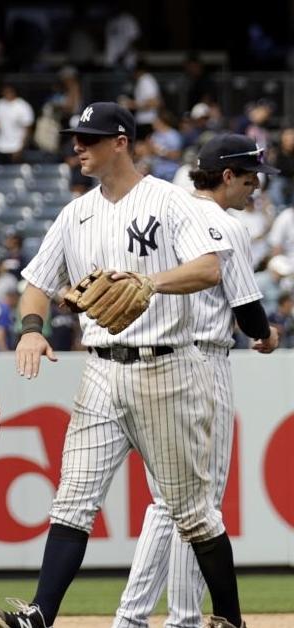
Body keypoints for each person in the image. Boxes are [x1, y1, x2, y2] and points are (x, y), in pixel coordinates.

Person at [0, 103, 249, 628]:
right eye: (77, 137)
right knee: (73, 498)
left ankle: (231, 619)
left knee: (191, 512)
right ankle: (39, 614)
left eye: (90, 138)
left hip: (165, 367)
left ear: (120, 142)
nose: (78, 146)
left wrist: (150, 281)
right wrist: (31, 331)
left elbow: (209, 268)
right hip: (100, 368)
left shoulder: (169, 202)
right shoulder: (76, 213)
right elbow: (36, 284)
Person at [113, 134, 280, 628]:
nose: (254, 189)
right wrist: (265, 335)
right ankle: (184, 618)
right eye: (250, 178)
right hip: (203, 362)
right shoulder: (225, 223)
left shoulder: (167, 212)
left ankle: (131, 618)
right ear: (228, 176)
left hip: (158, 361)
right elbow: (248, 311)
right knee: (199, 502)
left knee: (168, 501)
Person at [0, 84, 34, 164]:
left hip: (16, 147)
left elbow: (28, 129)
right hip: (0, 146)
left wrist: (21, 148)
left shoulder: (23, 106)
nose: (6, 94)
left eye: (9, 92)